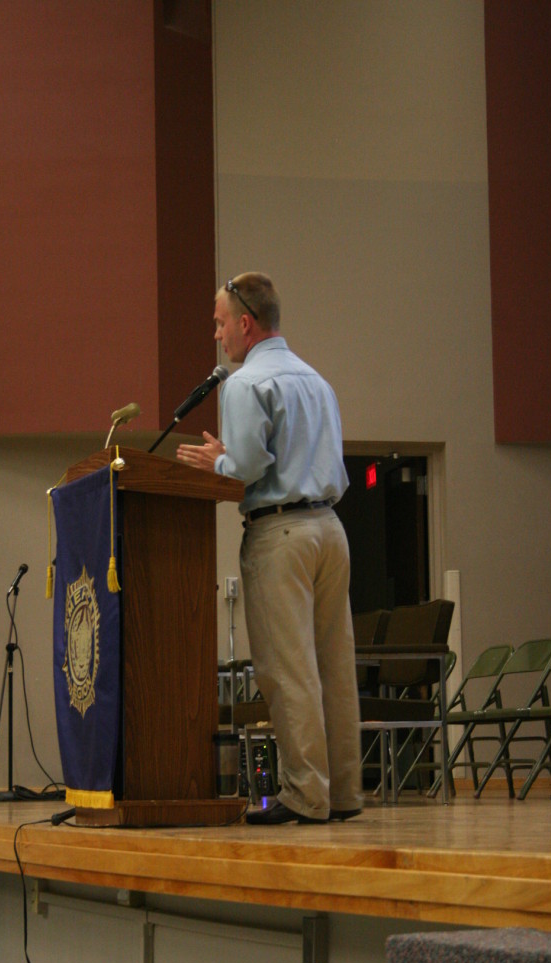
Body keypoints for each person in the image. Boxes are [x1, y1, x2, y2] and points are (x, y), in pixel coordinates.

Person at [177, 272, 362, 824]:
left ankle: (305, 795)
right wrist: (233, 456)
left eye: (219, 324)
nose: (216, 335)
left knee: (288, 670)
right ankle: (343, 794)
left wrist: (220, 461)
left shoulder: (244, 383)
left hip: (281, 534)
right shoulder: (317, 381)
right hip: (330, 529)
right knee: (334, 668)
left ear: (245, 323)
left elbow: (248, 469)